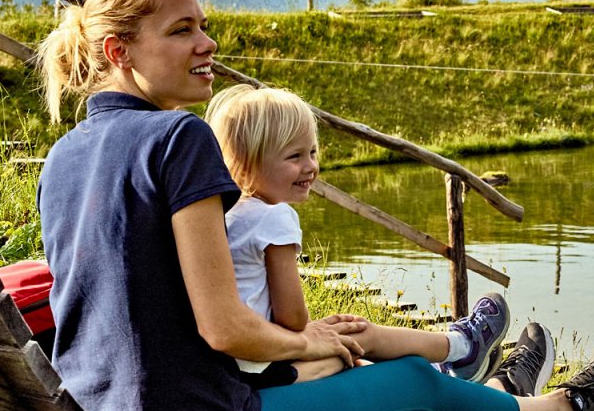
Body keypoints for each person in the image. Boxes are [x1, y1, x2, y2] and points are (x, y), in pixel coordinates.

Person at [33, 0, 594, 411]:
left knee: (354, 367)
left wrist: (309, 347)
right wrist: (312, 344)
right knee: (406, 383)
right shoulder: (177, 138)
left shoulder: (63, 156)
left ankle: (495, 390)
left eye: (202, 24)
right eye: (181, 30)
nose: (208, 42)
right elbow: (223, 328)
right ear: (119, 52)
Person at [202, 83, 510, 390]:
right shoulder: (274, 217)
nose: (310, 166)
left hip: (231, 366)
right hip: (261, 370)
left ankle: (450, 360)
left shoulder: (223, 214)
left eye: (312, 152)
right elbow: (292, 318)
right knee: (354, 333)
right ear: (245, 164)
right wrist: (312, 330)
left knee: (345, 338)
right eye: (294, 156)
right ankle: (459, 350)